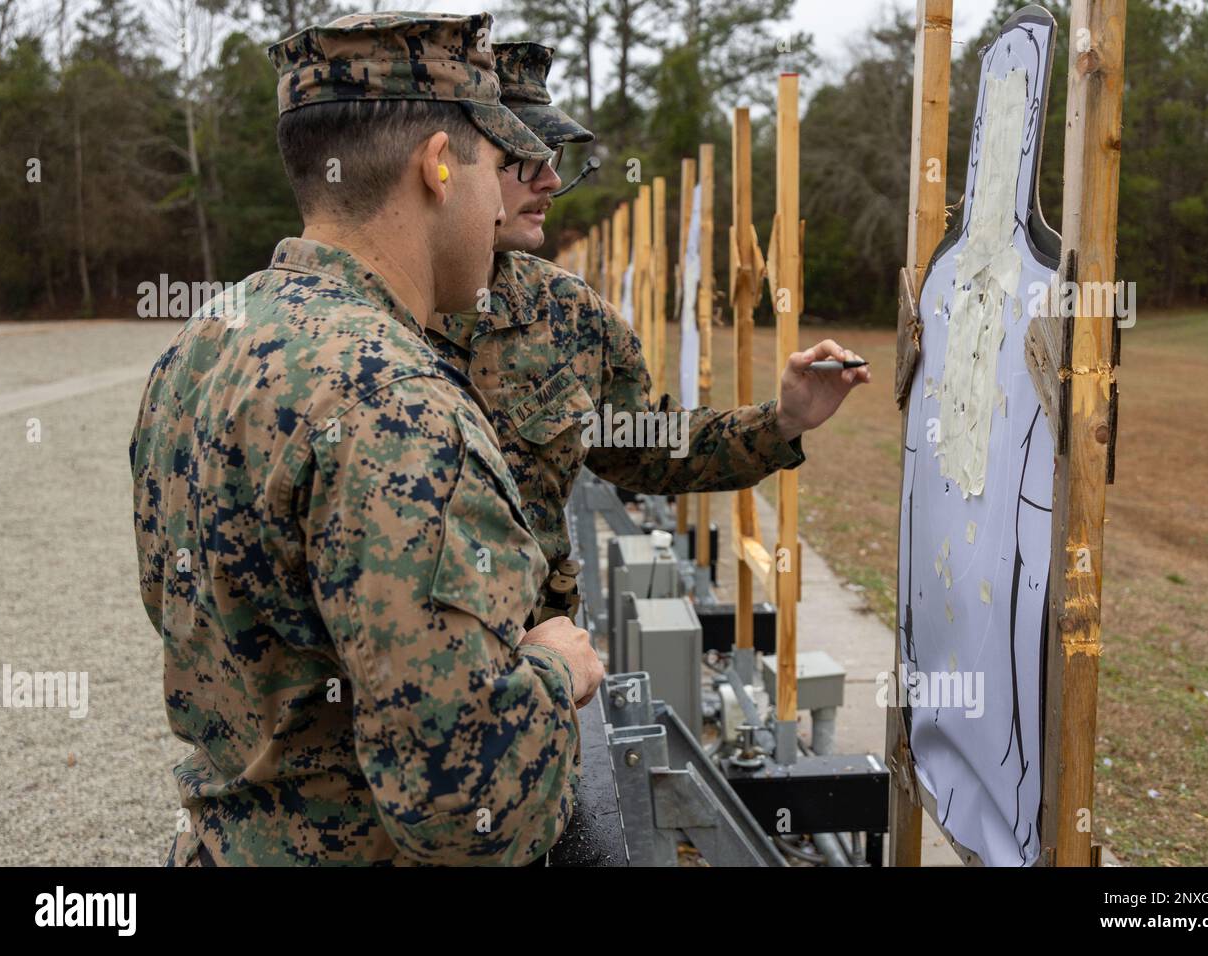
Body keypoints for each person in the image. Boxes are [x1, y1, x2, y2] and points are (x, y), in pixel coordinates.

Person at [129, 13, 602, 867]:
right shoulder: (399, 403)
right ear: (439, 164)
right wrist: (555, 670)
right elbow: (469, 812)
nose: (502, 201)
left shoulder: (202, 343)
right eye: (497, 167)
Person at [427, 42, 873, 606]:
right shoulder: (365, 318)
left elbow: (644, 445)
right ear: (457, 162)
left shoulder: (569, 314)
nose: (549, 181)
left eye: (554, 157)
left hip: (541, 661)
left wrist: (781, 421)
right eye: (522, 157)